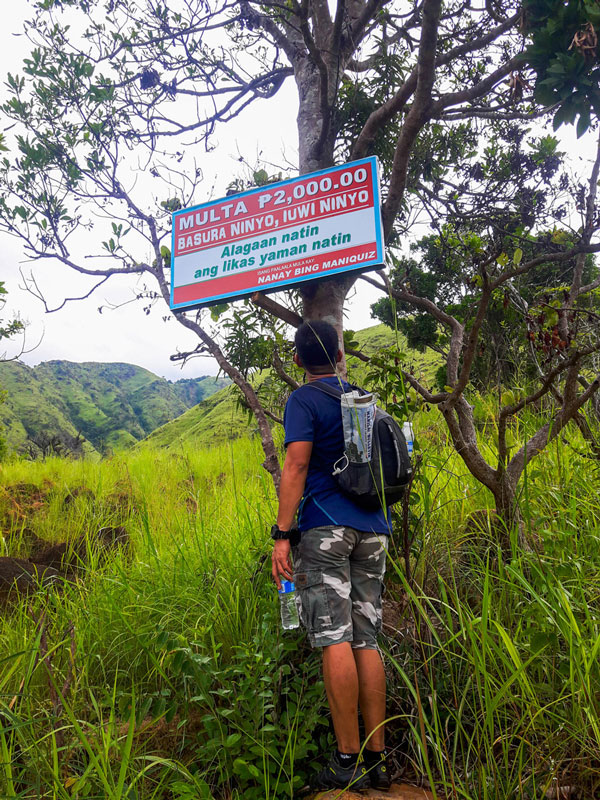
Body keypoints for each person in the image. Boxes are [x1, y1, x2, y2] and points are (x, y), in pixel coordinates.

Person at [271, 319, 392, 793]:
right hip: (374, 529)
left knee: (334, 637)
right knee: (367, 639)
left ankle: (347, 761)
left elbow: (297, 462)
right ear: (340, 355)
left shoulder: (302, 400)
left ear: (298, 361)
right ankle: (377, 760)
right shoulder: (362, 397)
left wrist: (283, 534)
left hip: (326, 529)